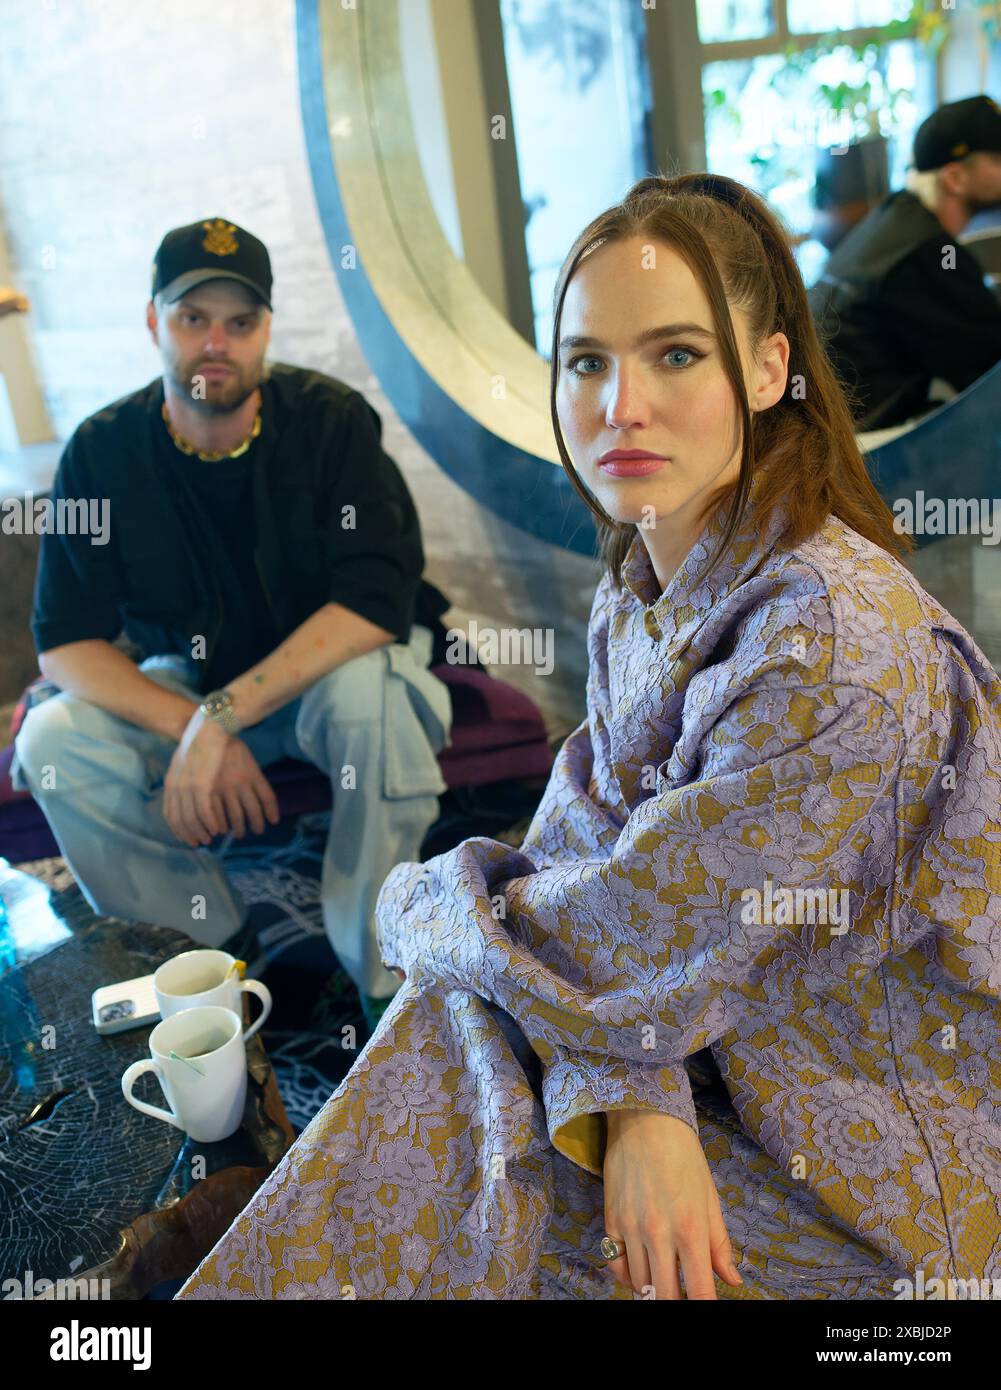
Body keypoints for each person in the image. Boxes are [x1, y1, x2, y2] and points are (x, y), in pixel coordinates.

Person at [176, 174, 1001, 1301]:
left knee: (464, 1057)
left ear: (767, 370)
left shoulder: (830, 652)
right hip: (703, 1026)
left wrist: (411, 901)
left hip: (870, 1117)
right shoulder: (645, 576)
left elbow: (610, 937)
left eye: (674, 355)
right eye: (583, 360)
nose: (619, 404)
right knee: (463, 1039)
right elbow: (594, 847)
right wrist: (631, 1099)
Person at [11, 217, 453, 1030]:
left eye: (240, 322)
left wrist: (221, 718)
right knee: (52, 742)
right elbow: (66, 642)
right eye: (192, 318)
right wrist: (199, 722)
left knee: (374, 701)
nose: (216, 342)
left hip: (329, 670)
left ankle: (381, 968)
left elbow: (373, 604)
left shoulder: (331, 423)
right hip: (189, 676)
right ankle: (201, 947)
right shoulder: (101, 454)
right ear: (154, 323)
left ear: (266, 332)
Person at [809, 94, 1001, 431]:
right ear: (954, 177)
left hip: (839, 426)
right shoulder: (926, 255)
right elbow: (989, 367)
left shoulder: (893, 217)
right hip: (870, 448)